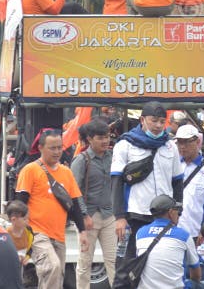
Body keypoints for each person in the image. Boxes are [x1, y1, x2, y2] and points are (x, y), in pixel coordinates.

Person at [111, 101, 185, 286]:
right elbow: (116, 183)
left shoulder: (170, 146)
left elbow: (177, 182)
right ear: (142, 120)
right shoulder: (125, 145)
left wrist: (178, 211)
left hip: (164, 217)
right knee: (125, 267)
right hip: (134, 216)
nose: (158, 125)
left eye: (162, 121)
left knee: (159, 264)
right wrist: (119, 217)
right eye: (154, 120)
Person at [15, 129, 89, 289]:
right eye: (52, 148)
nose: (57, 152)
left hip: (59, 235)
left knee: (57, 277)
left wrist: (82, 231)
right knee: (52, 266)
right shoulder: (30, 170)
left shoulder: (66, 172)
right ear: (40, 148)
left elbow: (74, 204)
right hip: (36, 233)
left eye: (59, 147)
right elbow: (20, 203)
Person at [70, 118, 116, 289]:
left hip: (109, 215)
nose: (105, 141)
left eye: (107, 137)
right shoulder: (81, 160)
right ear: (90, 139)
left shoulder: (113, 157)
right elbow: (74, 192)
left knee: (113, 260)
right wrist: (83, 215)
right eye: (101, 138)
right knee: (85, 261)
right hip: (89, 217)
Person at [135, 194, 202, 289]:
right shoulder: (184, 236)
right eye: (178, 211)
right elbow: (196, 275)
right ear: (170, 212)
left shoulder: (140, 233)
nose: (179, 215)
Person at [175, 124, 204, 240]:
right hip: (173, 232)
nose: (182, 147)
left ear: (197, 142)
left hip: (196, 234)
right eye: (179, 142)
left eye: (186, 142)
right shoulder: (174, 165)